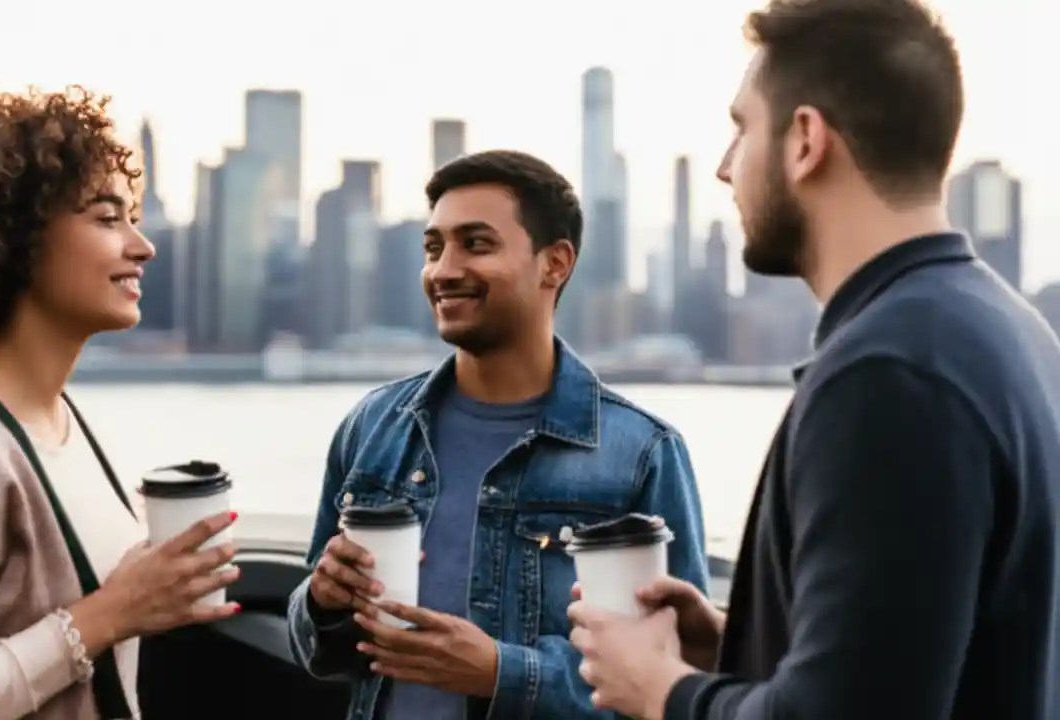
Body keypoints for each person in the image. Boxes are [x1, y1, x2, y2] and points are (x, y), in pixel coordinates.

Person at [566, 1, 1060, 718]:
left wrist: (664, 692)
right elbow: (925, 654)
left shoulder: (886, 375)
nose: (725, 167)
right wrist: (738, 646)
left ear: (804, 140)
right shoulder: (1013, 331)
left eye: (741, 128)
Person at [0, 86, 241, 720]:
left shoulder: (57, 418)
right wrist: (110, 613)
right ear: (17, 238)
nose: (144, 246)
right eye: (107, 218)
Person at [286, 149, 710, 719]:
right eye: (433, 247)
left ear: (554, 263)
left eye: (476, 244)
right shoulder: (373, 428)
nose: (444, 269)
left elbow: (672, 678)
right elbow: (316, 649)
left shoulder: (641, 453)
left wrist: (500, 673)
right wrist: (320, 602)